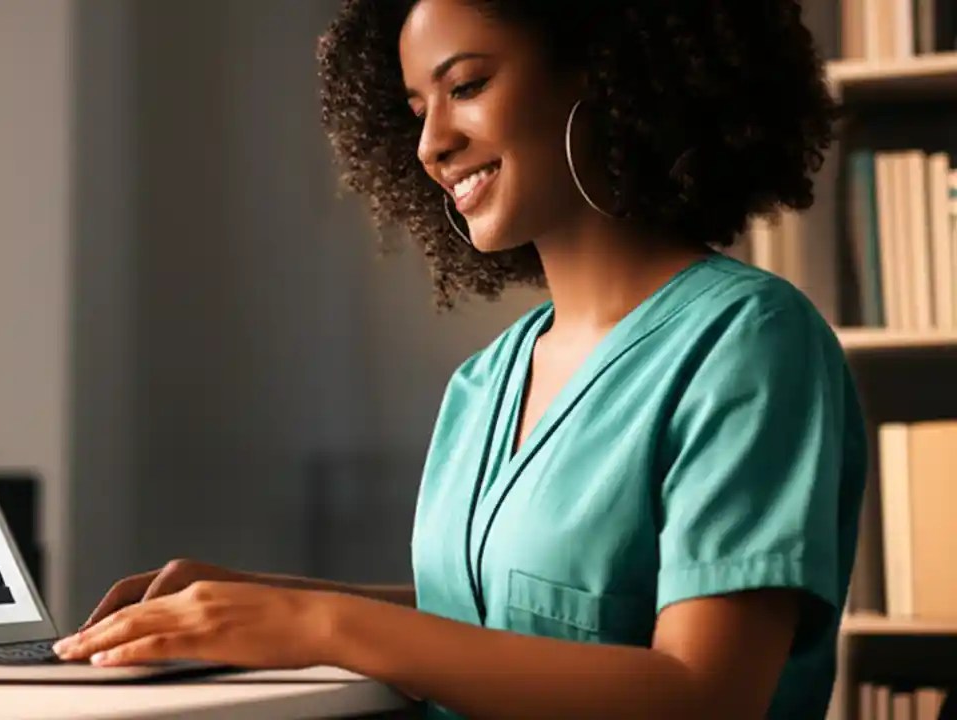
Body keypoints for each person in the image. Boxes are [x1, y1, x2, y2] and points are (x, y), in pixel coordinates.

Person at [54, 1, 865, 717]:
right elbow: (501, 623)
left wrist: (320, 626)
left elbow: (705, 695)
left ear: (607, 72)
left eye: (466, 86)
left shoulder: (749, 340)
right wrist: (264, 601)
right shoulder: (485, 381)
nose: (431, 145)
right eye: (415, 108)